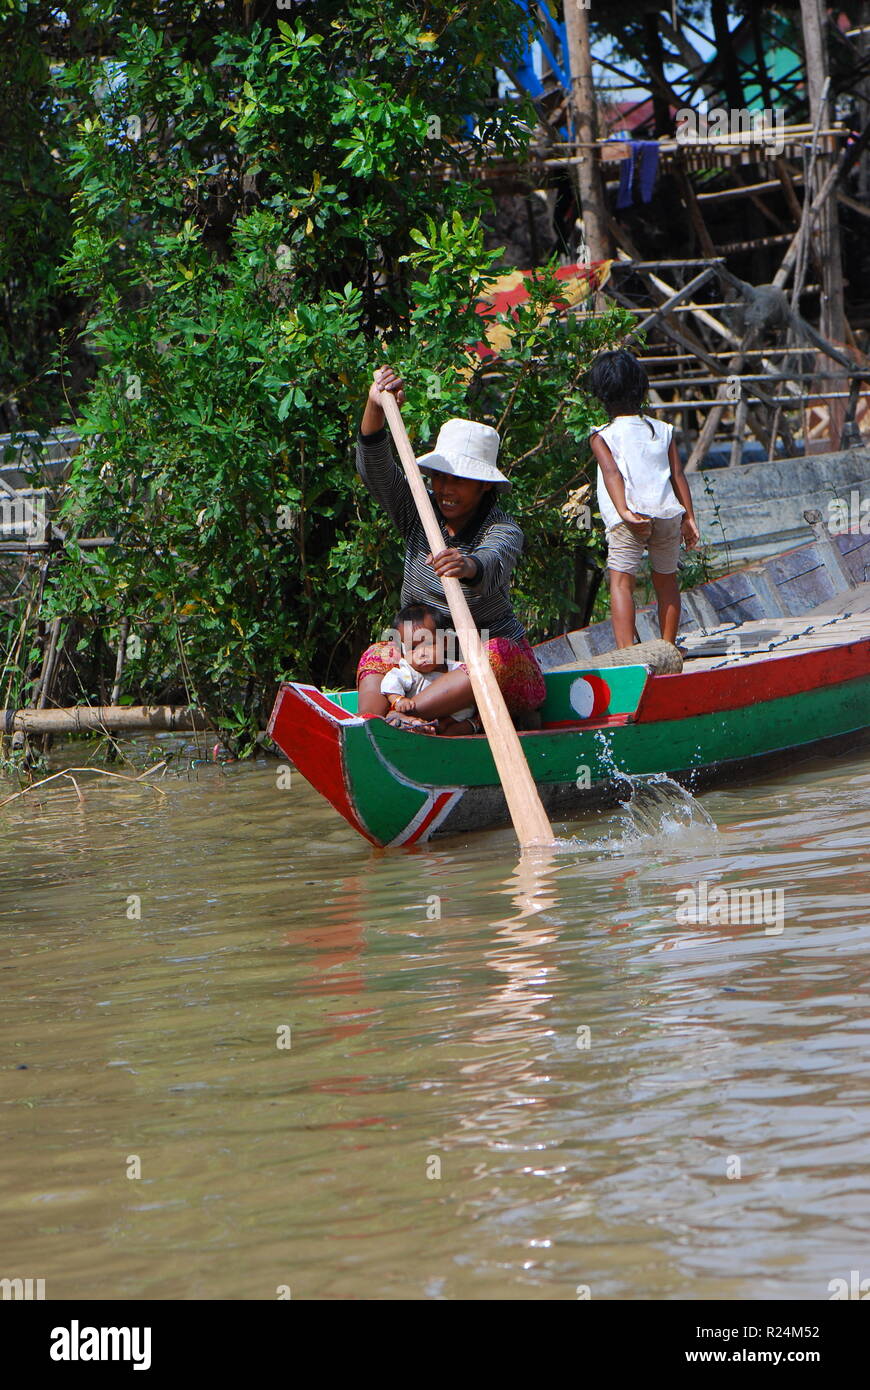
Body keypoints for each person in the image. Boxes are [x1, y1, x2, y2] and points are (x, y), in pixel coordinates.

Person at [356, 365, 546, 732]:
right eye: (440, 476)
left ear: (484, 487)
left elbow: (493, 562)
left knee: (492, 657)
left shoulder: (502, 528)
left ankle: (412, 717)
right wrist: (375, 405)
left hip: (486, 656)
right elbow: (376, 471)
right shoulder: (418, 510)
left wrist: (467, 565)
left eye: (459, 481)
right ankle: (371, 732)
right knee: (378, 654)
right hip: (423, 661)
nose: (445, 489)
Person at [587, 348, 700, 649]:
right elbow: (678, 476)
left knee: (622, 584)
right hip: (667, 513)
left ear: (601, 394)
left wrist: (624, 511)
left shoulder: (602, 435)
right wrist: (689, 517)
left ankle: (627, 654)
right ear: (641, 388)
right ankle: (667, 647)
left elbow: (612, 474)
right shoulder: (662, 430)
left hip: (629, 519)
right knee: (666, 582)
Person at [380, 602, 479, 736]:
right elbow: (391, 682)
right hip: (418, 714)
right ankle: (411, 721)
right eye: (413, 648)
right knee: (412, 723)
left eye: (428, 644)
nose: (422, 653)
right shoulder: (408, 671)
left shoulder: (454, 668)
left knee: (466, 712)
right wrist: (398, 700)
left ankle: (444, 724)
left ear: (444, 642)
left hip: (449, 713)